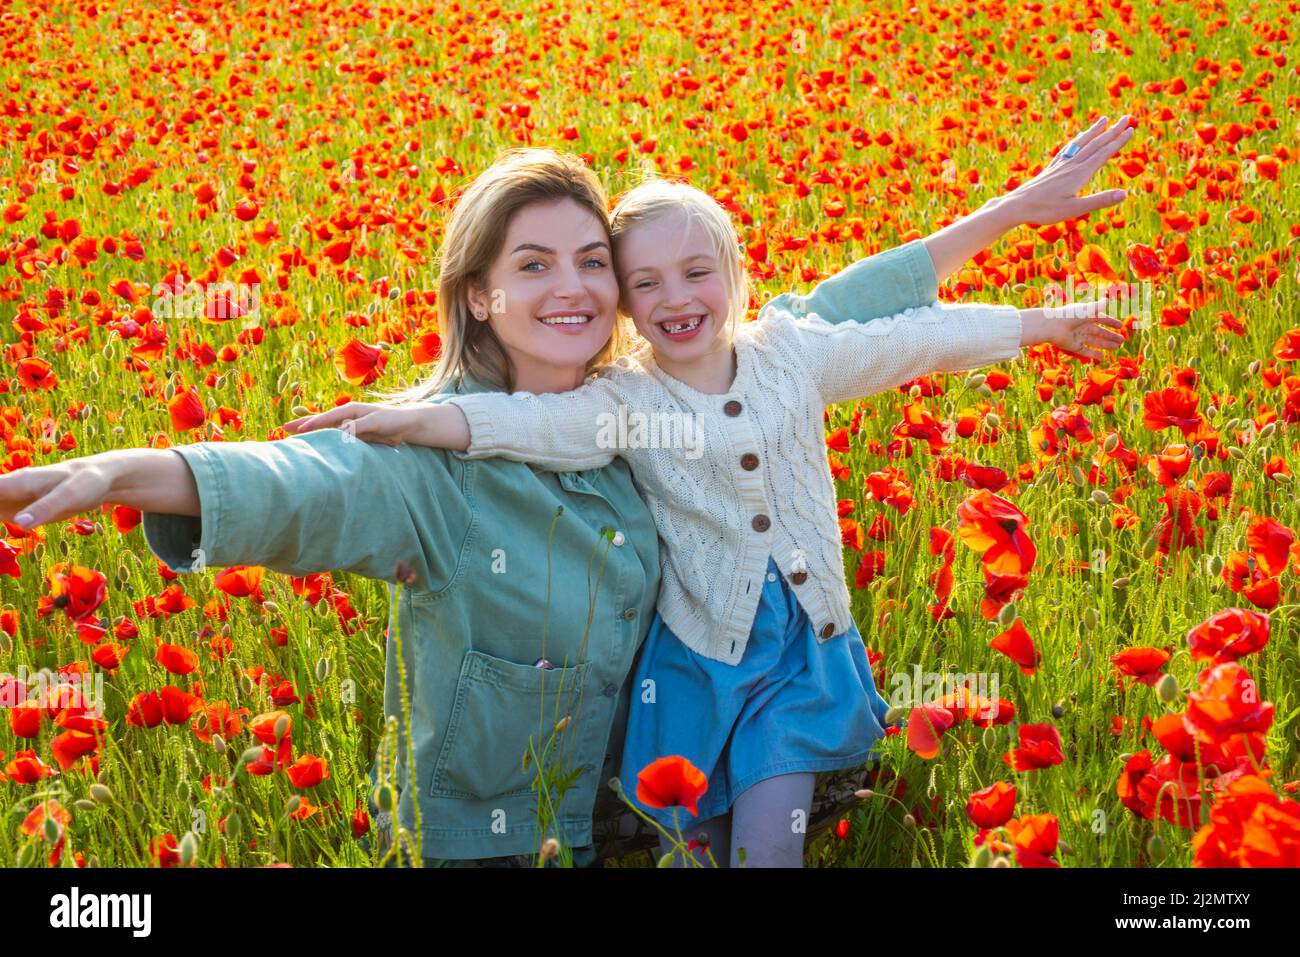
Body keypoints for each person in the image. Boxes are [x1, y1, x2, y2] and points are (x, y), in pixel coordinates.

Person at [1, 115, 1134, 866]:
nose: (578, 286)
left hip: (647, 792)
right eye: (533, 265)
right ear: (478, 296)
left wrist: (1021, 216)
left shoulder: (685, 379)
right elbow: (301, 479)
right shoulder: (439, 464)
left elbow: (857, 315)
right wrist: (118, 473)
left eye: (592, 261)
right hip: (504, 834)